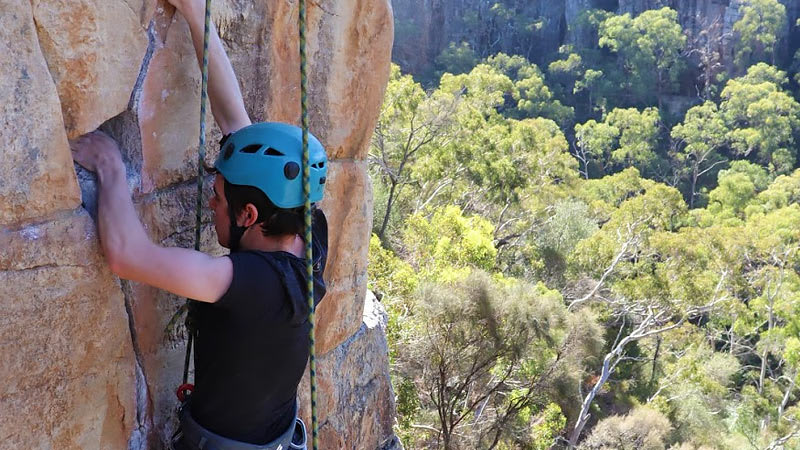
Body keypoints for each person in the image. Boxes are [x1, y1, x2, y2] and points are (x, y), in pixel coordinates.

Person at [69, 0, 327, 449]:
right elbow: (236, 121)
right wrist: (196, 14)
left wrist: (110, 166)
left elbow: (128, 255)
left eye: (220, 196)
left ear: (249, 216)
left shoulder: (248, 284)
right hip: (275, 435)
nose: (211, 200)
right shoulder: (308, 230)